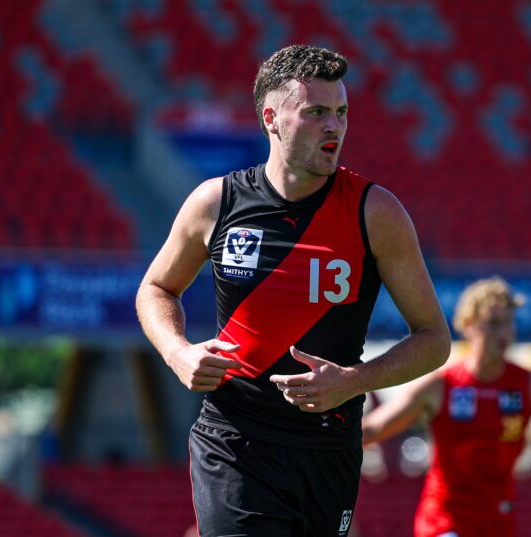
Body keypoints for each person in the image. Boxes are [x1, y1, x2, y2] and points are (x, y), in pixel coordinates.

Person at [135, 44, 451, 537]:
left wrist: (354, 381)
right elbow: (155, 288)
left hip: (328, 448)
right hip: (234, 439)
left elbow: (434, 338)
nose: (335, 127)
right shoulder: (214, 202)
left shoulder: (376, 212)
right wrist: (177, 353)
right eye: (317, 112)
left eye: (342, 113)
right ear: (271, 119)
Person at [362, 276, 531, 537]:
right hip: (443, 521)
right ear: (468, 326)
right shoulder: (442, 385)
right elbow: (376, 427)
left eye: (509, 323)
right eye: (494, 323)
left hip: (497, 522)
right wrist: (323, 430)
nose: (504, 333)